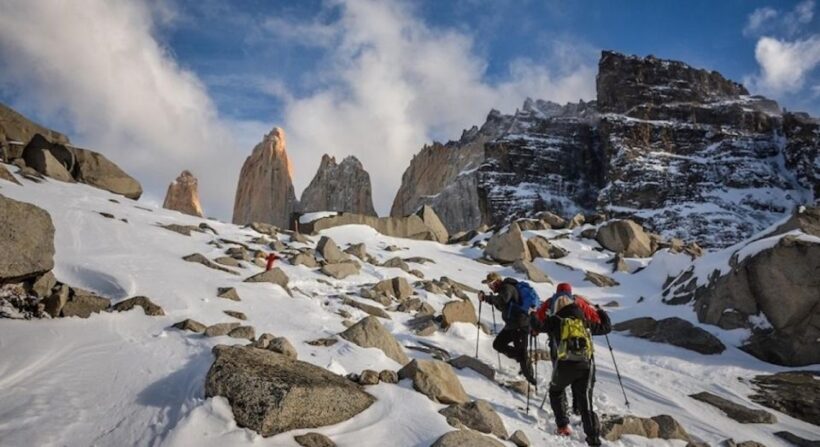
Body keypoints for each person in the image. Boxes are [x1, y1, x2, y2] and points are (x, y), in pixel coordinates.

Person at [530, 283, 611, 446]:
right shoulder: (584, 321)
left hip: (564, 365)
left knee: (556, 391)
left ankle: (562, 425)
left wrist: (532, 313)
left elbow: (537, 325)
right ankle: (593, 439)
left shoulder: (555, 320)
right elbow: (607, 327)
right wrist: (600, 310)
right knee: (585, 401)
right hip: (585, 365)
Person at [478, 272, 537, 385]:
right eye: (489, 285)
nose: (490, 287)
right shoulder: (503, 290)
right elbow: (503, 304)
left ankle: (531, 381)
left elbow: (502, 300)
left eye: (491, 284)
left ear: (498, 282)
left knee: (521, 353)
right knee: (498, 344)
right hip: (512, 325)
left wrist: (486, 298)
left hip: (521, 325)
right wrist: (490, 299)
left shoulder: (507, 288)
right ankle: (522, 360)